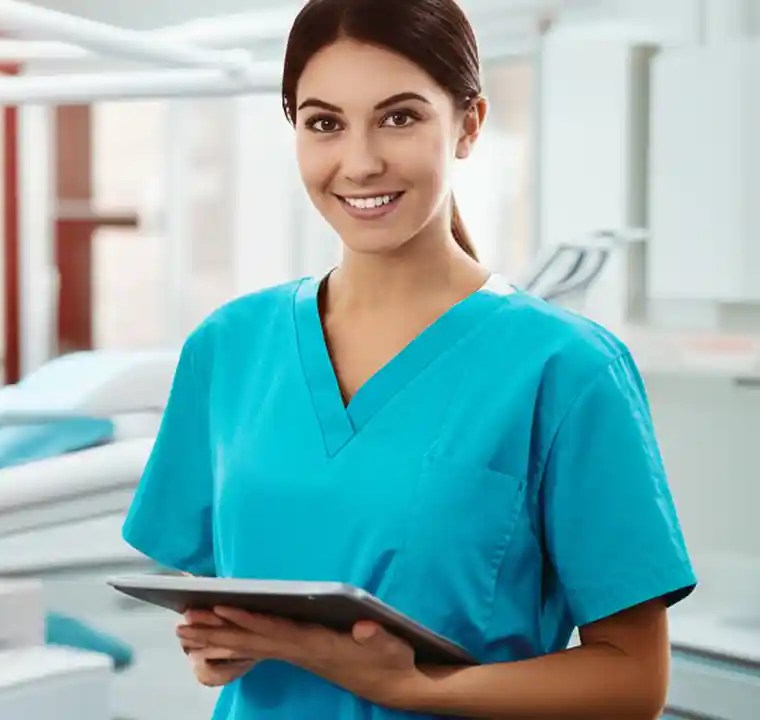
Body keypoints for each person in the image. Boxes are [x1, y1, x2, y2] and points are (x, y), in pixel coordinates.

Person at [119, 0, 697, 717]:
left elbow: (633, 681)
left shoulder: (567, 369)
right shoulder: (229, 345)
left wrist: (407, 687)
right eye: (325, 123)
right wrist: (219, 645)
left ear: (469, 124)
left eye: (399, 117)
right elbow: (215, 598)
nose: (361, 163)